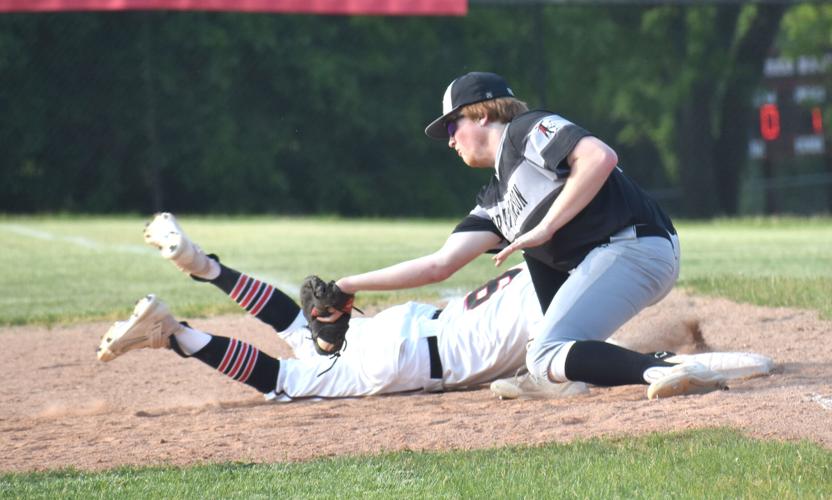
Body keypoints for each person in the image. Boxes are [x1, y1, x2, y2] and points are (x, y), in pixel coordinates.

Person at [320, 72, 727, 400]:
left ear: (480, 114)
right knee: (540, 351)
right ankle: (560, 377)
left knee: (545, 347)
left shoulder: (524, 130)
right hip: (615, 257)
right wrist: (345, 286)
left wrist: (545, 226)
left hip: (638, 246)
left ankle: (664, 368)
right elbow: (438, 265)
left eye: (451, 124)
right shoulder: (495, 199)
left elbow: (600, 158)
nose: (448, 139)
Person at [96, 213, 592, 401]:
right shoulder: (562, 300)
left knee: (300, 334)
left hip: (407, 325)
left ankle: (206, 268)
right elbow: (567, 369)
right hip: (409, 360)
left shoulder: (532, 266)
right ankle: (176, 334)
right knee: (284, 381)